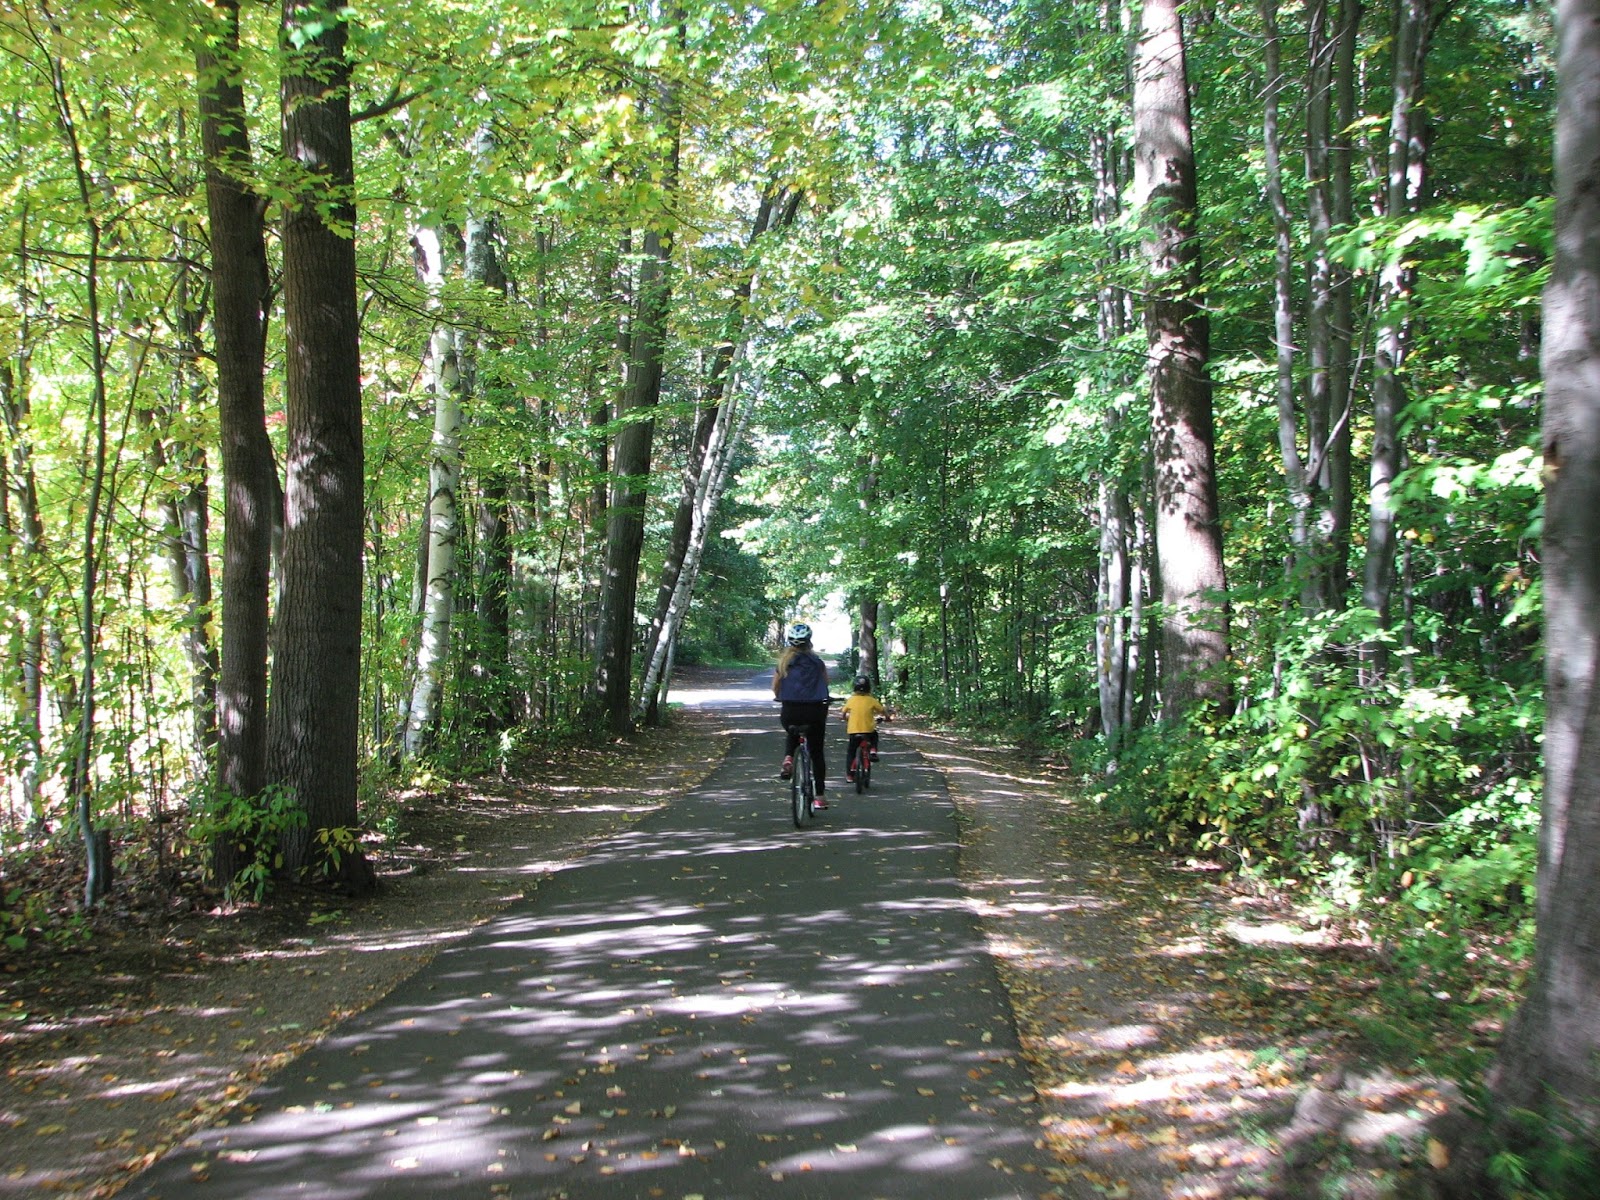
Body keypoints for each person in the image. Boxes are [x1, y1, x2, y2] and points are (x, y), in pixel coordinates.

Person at [773, 622, 831, 805]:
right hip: (815, 713)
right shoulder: (818, 663)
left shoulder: (783, 663)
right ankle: (819, 797)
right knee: (817, 752)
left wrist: (782, 697)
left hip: (790, 712)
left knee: (793, 729)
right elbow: (825, 684)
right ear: (809, 642)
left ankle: (789, 757)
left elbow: (775, 687)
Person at [841, 673, 889, 779]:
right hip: (868, 730)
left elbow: (843, 713)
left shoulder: (851, 700)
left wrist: (845, 718)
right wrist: (887, 718)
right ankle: (872, 750)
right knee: (874, 735)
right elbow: (882, 710)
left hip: (853, 732)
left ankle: (850, 775)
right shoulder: (871, 700)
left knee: (851, 752)